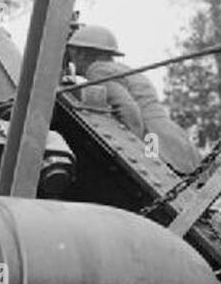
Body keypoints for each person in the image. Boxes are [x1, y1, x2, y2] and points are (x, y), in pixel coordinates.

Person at [64, 24, 201, 174]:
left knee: (152, 175)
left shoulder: (97, 70)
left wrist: (133, 152)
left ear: (82, 53)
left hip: (152, 139)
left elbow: (129, 111)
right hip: (173, 139)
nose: (71, 60)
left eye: (73, 53)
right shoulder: (124, 70)